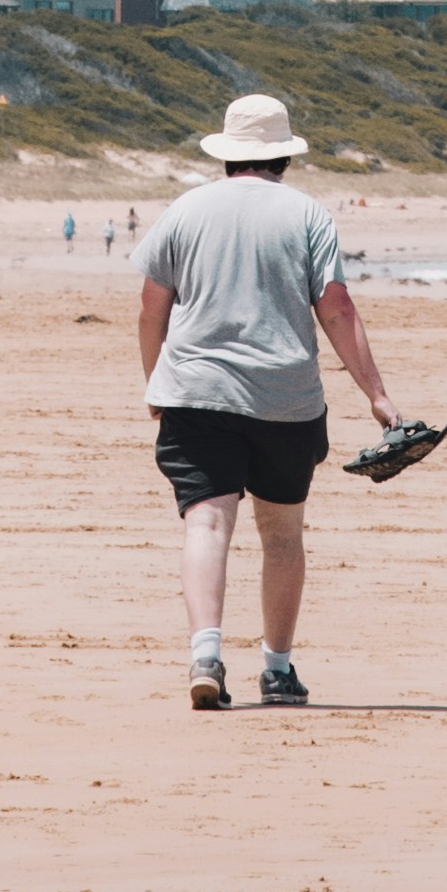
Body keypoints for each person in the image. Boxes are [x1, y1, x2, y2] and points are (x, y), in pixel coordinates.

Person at [134, 87, 405, 709]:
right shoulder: (307, 214)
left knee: (206, 522)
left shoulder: (186, 210)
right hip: (287, 397)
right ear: (284, 155)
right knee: (281, 531)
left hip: (196, 390)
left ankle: (206, 655)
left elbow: (153, 308)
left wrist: (156, 382)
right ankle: (278, 670)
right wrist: (378, 395)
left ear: (227, 152)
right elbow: (336, 309)